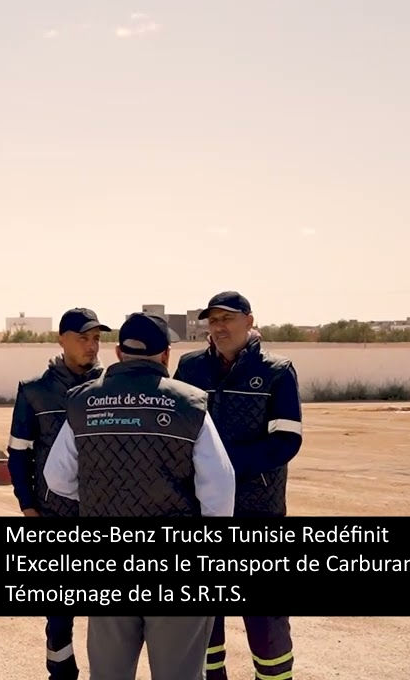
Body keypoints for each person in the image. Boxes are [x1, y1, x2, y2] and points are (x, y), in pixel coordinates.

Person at [43, 312, 235, 680]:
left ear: (118, 353)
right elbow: (220, 487)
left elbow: (57, 478)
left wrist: (101, 499)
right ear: (166, 356)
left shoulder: (83, 402)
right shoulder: (190, 403)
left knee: (110, 672)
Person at [172, 291, 302, 680]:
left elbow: (286, 440)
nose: (219, 327)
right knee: (204, 619)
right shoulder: (190, 367)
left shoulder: (278, 371)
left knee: (265, 621)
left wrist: (222, 467)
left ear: (249, 321)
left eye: (227, 319)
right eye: (212, 320)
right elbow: (177, 429)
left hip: (258, 511)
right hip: (202, 512)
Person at [6, 308, 110, 680]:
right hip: (55, 512)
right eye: (83, 337)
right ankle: (61, 670)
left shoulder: (111, 387)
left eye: (96, 338)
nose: (92, 345)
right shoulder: (35, 390)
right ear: (61, 340)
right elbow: (19, 452)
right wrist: (28, 505)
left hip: (106, 511)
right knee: (61, 606)